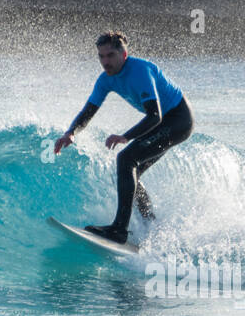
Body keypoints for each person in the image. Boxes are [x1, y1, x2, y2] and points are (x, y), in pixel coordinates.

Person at [53, 31, 193, 243]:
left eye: (110, 56)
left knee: (126, 159)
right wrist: (71, 132)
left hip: (178, 119)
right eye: (101, 56)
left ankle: (119, 229)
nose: (105, 62)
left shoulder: (140, 71)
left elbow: (154, 116)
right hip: (165, 121)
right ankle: (151, 226)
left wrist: (125, 137)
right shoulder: (105, 80)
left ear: (124, 54)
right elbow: (89, 110)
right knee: (130, 170)